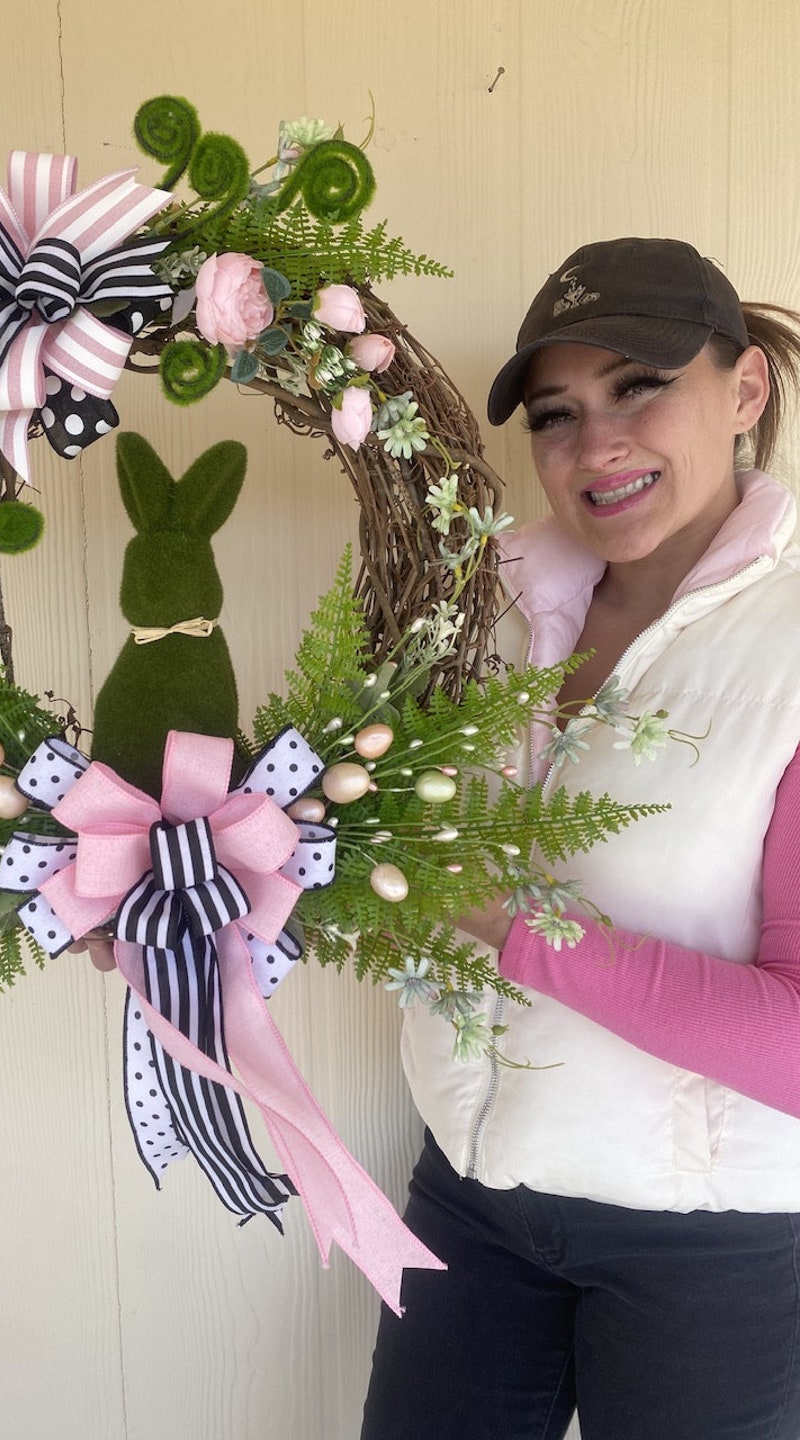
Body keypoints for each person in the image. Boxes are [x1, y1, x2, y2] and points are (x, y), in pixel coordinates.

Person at [360, 237, 800, 1440]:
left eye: (639, 388)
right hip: (472, 1195)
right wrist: (173, 898)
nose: (595, 446)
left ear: (746, 388)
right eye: (556, 415)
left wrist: (511, 930)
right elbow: (369, 848)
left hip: (707, 1244)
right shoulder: (484, 605)